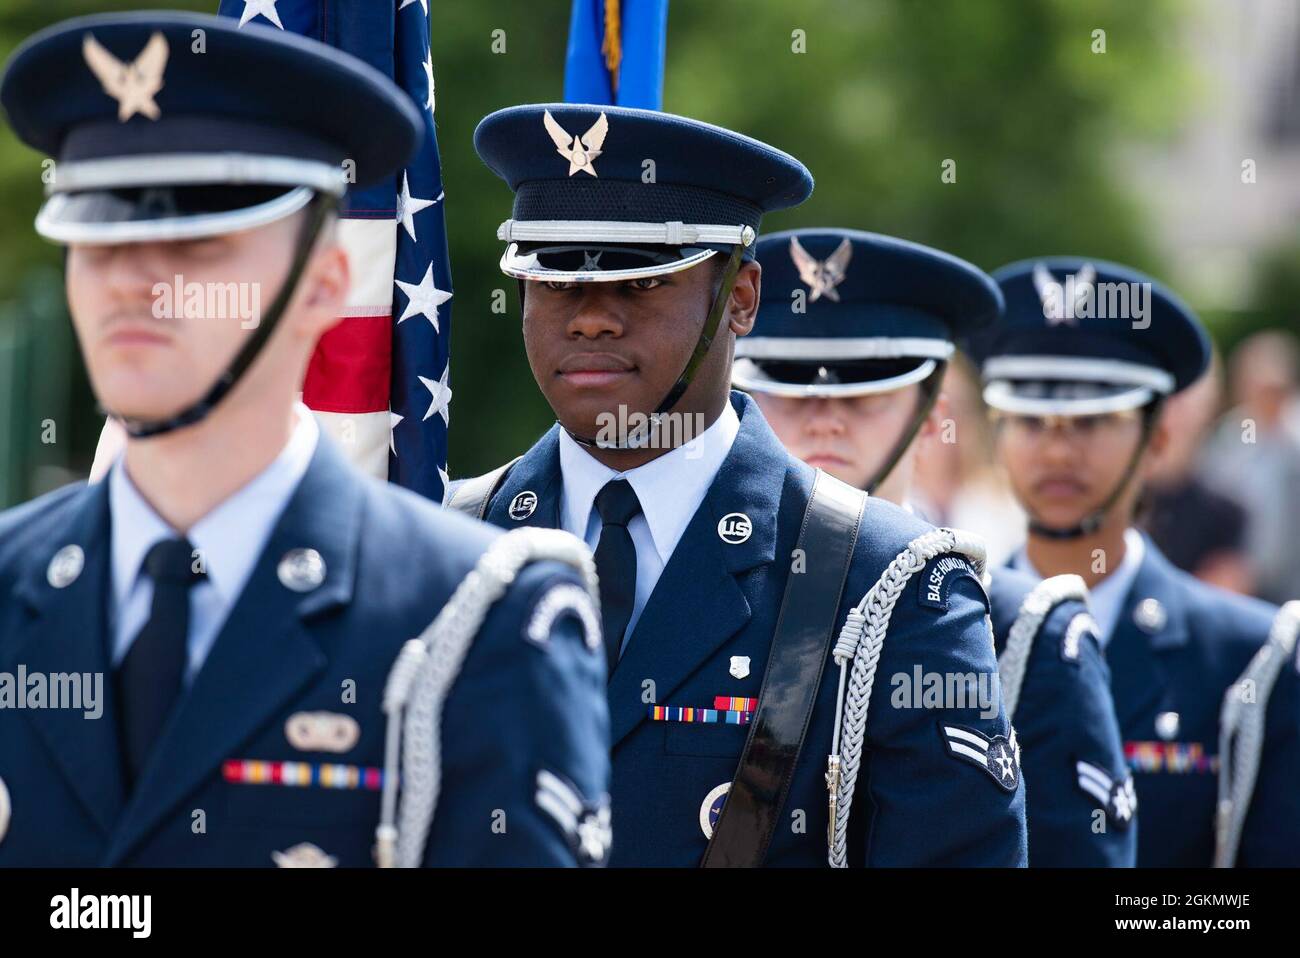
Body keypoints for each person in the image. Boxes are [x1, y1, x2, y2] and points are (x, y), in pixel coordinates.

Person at [0, 12, 610, 868]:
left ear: (325, 281)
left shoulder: (478, 628)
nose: (135, 282)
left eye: (194, 239)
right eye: (101, 237)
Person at [449, 104, 1027, 866]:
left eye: (641, 281)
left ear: (742, 298)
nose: (590, 320)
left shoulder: (889, 587)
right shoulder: (449, 542)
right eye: (556, 281)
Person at [735, 228, 1134, 866]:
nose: (825, 415)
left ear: (931, 411)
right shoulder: (703, 592)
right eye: (787, 384)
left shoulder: (1026, 635)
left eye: (865, 386)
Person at [969, 256, 1300, 867]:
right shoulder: (942, 631)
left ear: (1159, 443)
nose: (1058, 449)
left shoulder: (1253, 656)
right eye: (1030, 420)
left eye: (1095, 420)